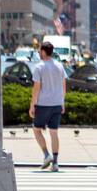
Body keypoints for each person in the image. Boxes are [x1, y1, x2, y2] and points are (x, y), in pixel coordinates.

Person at [29, 42, 68, 172]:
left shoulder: (39, 67)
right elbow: (63, 85)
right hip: (57, 103)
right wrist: (62, 102)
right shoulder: (59, 66)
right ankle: (55, 163)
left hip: (43, 104)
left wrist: (32, 105)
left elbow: (36, 88)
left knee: (36, 129)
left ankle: (46, 155)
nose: (39, 53)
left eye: (40, 51)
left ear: (44, 52)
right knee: (54, 133)